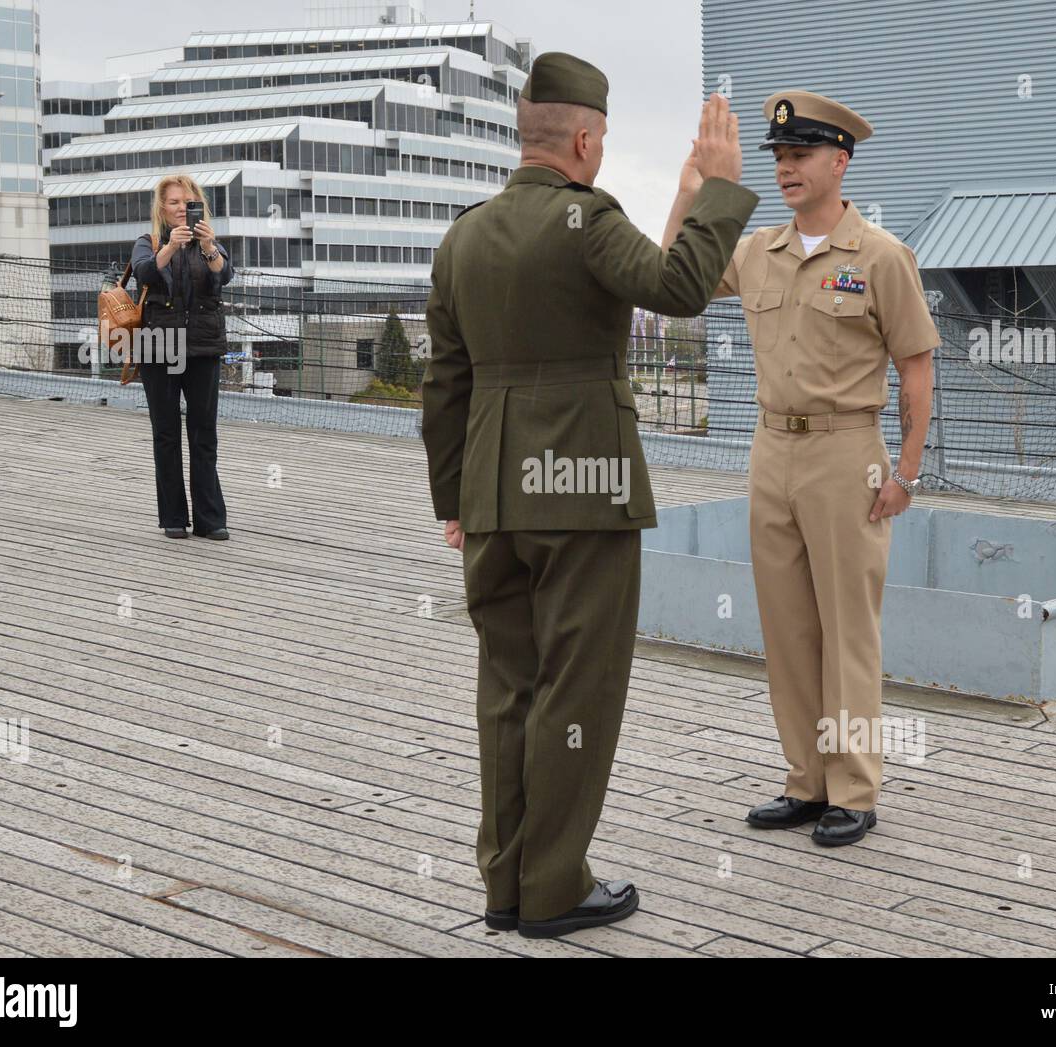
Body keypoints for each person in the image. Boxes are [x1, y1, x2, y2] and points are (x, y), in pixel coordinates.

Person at [421, 52, 758, 938]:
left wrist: (453, 497)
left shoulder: (463, 237)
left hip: (495, 494)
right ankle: (555, 887)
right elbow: (678, 288)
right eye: (601, 137)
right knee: (578, 690)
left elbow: (443, 386)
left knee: (509, 687)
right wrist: (720, 189)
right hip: (584, 491)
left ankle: (505, 882)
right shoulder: (587, 218)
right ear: (583, 137)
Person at [664, 90, 937, 846]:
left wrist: (905, 471)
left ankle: (854, 787)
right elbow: (675, 281)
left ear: (839, 162)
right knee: (786, 626)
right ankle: (805, 781)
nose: (785, 168)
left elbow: (916, 366)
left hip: (847, 451)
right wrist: (689, 193)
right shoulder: (757, 250)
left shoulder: (881, 257)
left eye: (800, 155)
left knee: (848, 627)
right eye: (778, 157)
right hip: (770, 451)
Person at [130, 173, 234, 540]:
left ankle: (211, 518)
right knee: (167, 433)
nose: (180, 209)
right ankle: (173, 517)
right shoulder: (150, 242)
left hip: (203, 345)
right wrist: (170, 247)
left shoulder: (210, 243)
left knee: (204, 432)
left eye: (188, 202)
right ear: (162, 207)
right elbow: (145, 274)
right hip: (159, 344)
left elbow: (224, 275)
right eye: (173, 202)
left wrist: (207, 247)